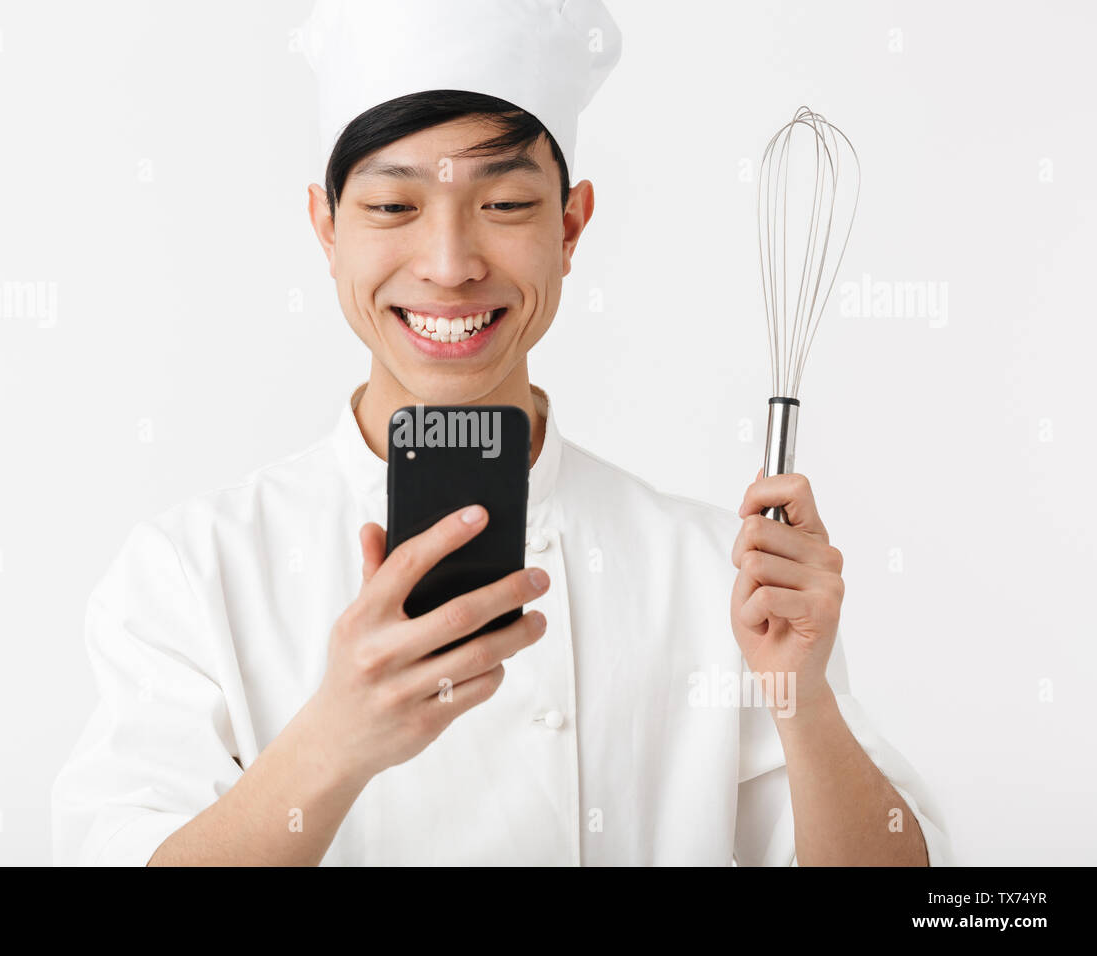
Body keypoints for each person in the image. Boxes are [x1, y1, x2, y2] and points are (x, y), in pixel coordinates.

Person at [51, 0, 951, 866]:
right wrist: (334, 742)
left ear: (571, 226)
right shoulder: (194, 572)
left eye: (507, 207)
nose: (449, 266)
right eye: (393, 207)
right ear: (326, 229)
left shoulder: (715, 574)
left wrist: (804, 701)